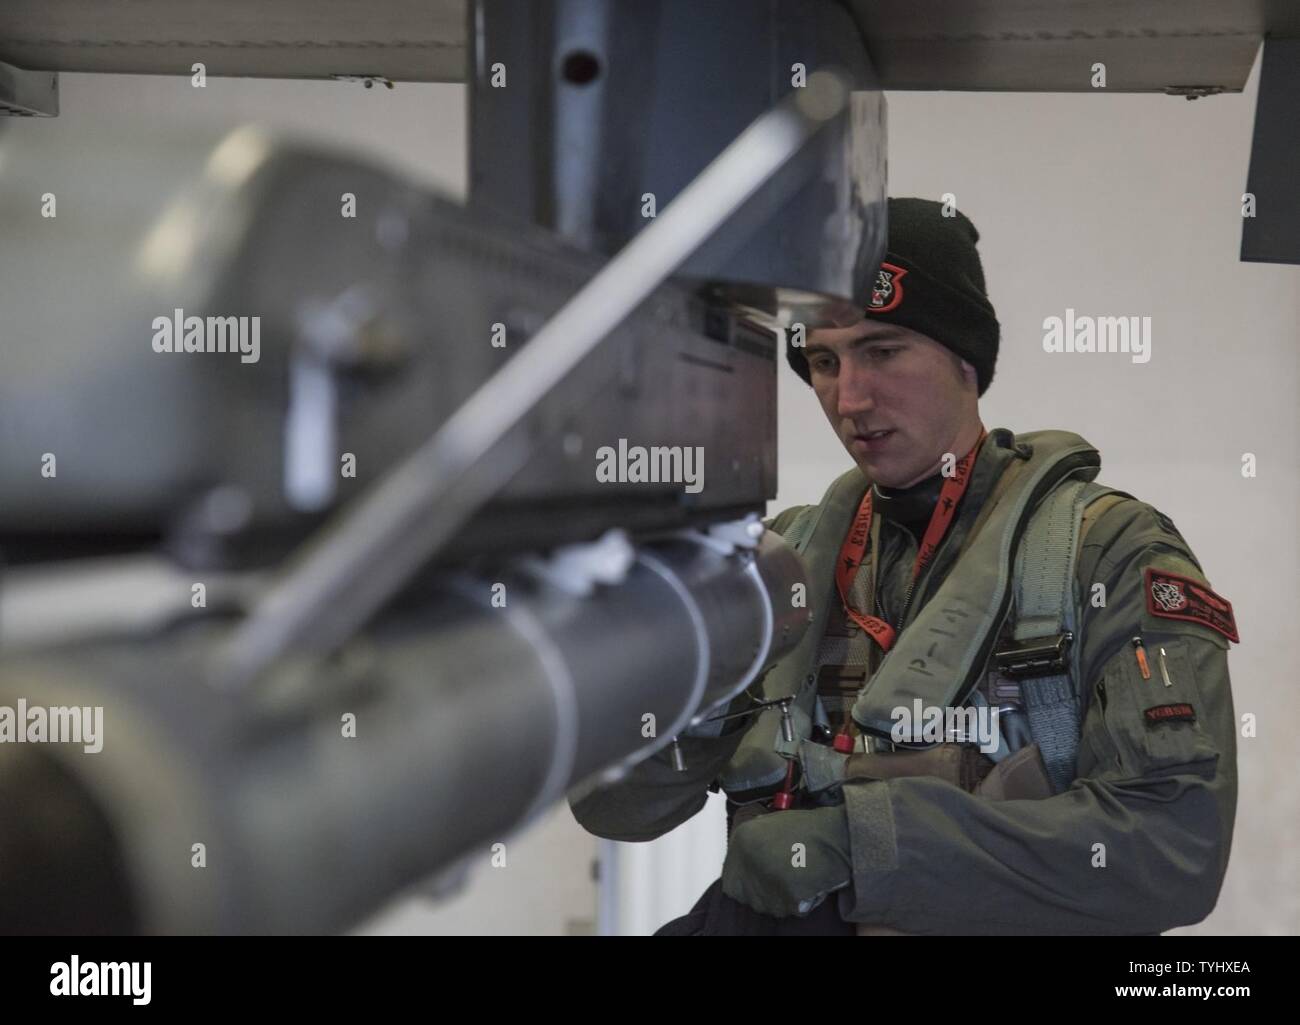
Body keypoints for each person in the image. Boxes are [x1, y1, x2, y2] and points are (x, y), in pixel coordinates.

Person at [568, 197, 1239, 936]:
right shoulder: (783, 563)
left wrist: (866, 847)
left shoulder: (1105, 554)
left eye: (883, 350)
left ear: (965, 360)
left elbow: (1175, 849)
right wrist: (685, 669)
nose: (849, 397)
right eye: (823, 361)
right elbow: (618, 807)